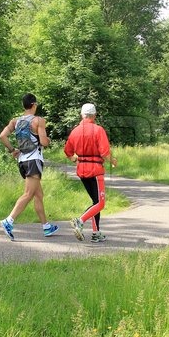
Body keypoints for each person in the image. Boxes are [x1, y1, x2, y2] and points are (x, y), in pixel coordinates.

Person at [0, 93, 59, 241]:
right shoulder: (38, 120)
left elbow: (2, 136)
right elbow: (44, 142)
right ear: (34, 105)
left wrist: (13, 150)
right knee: (28, 194)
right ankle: (9, 221)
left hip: (22, 161)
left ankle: (46, 226)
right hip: (34, 161)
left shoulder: (15, 121)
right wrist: (48, 139)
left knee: (38, 195)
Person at [64, 103, 117, 243]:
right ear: (94, 115)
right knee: (100, 203)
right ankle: (79, 221)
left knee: (95, 202)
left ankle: (96, 233)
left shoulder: (74, 131)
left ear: (82, 115)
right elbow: (105, 153)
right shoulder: (98, 130)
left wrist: (75, 159)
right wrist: (113, 161)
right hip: (96, 170)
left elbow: (68, 151)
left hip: (82, 170)